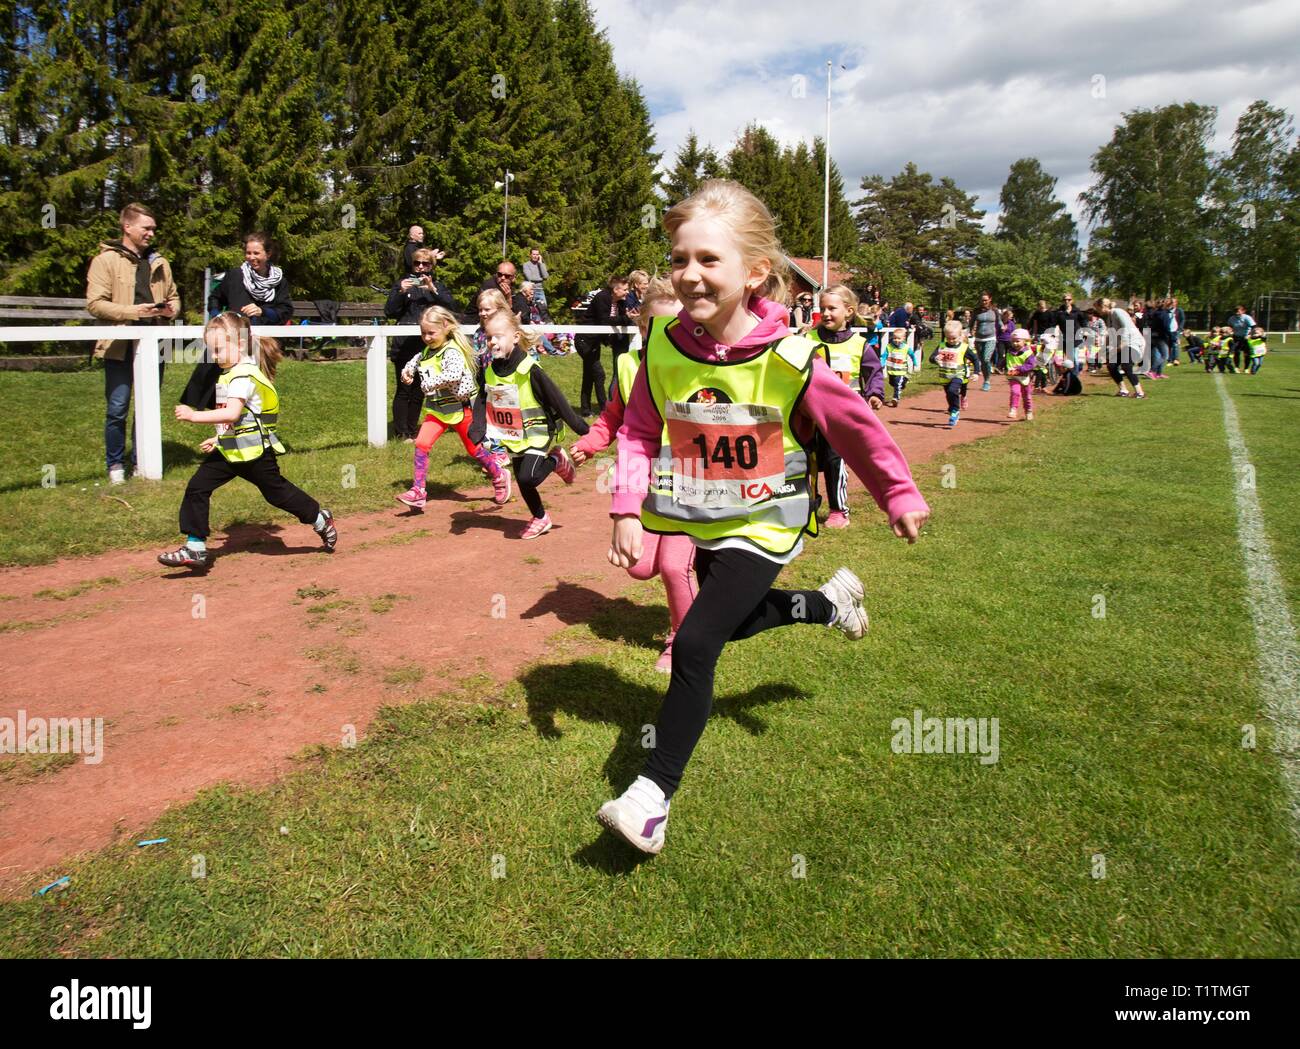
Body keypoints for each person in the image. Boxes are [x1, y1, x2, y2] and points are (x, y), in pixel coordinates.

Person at [599, 179, 929, 855]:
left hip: (769, 521)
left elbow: (855, 427)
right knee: (736, 620)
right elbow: (637, 429)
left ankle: (651, 797)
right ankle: (829, 605)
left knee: (695, 642)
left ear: (754, 273)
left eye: (708, 260)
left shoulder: (792, 357)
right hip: (699, 517)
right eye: (679, 258)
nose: (688, 274)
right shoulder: (661, 344)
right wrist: (627, 504)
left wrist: (897, 492)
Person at [569, 277, 696, 672]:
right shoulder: (627, 365)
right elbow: (613, 417)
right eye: (660, 326)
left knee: (676, 567)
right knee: (639, 566)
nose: (671, 334)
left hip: (695, 483)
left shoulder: (699, 366)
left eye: (680, 325)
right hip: (647, 481)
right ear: (643, 329)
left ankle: (683, 642)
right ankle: (702, 582)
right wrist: (590, 443)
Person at [158, 312, 335, 571]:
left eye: (218, 350)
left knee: (277, 494)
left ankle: (320, 518)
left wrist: (194, 416)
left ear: (240, 344)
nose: (214, 357)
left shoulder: (243, 376)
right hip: (230, 452)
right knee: (197, 488)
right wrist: (218, 437)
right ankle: (195, 547)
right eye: (211, 351)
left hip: (255, 454)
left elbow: (232, 413)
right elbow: (239, 419)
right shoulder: (230, 374)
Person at [85, 203, 179, 485]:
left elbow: (174, 297)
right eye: (146, 227)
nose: (151, 233)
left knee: (148, 407)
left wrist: (170, 310)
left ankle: (143, 462)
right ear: (127, 227)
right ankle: (115, 466)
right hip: (119, 343)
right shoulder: (105, 261)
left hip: (155, 343)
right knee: (118, 406)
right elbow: (95, 304)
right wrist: (133, 312)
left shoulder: (159, 261)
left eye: (153, 228)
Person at [480, 304, 589, 539]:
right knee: (523, 480)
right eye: (489, 337)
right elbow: (481, 398)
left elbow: (556, 398)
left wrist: (580, 427)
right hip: (514, 434)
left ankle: (555, 459)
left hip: (539, 430)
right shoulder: (490, 371)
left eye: (498, 336)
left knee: (529, 477)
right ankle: (540, 518)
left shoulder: (529, 368)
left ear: (515, 337)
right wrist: (477, 427)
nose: (492, 342)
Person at [394, 305, 511, 510]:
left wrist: (431, 383)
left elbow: (454, 374)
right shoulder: (427, 352)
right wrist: (408, 372)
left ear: (446, 327)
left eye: (431, 333)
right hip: (437, 411)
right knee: (421, 443)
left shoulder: (452, 351)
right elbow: (416, 361)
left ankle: (499, 476)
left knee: (475, 450)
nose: (427, 338)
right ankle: (418, 491)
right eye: (423, 333)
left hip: (460, 410)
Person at [183, 232, 295, 412]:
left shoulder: (280, 281)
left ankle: (254, 432)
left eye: (256, 253)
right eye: (248, 253)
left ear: (268, 254)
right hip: (231, 344)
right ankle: (222, 429)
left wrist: (263, 311)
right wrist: (217, 317)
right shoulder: (235, 275)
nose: (251, 257)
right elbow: (215, 298)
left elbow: (286, 310)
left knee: (255, 396)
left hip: (261, 346)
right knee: (223, 390)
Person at [805, 283, 885, 528]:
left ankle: (838, 510)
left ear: (849, 312)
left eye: (832, 308)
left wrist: (875, 393)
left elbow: (873, 372)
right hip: (808, 414)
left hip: (840, 418)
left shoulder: (860, 345)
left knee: (834, 461)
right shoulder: (807, 339)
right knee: (806, 459)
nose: (826, 313)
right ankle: (808, 503)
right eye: (823, 308)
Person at [386, 247, 462, 440]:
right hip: (404, 346)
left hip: (428, 346)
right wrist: (402, 292)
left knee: (421, 389)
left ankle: (412, 430)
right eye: (417, 263)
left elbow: (452, 309)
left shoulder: (437, 286)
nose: (420, 267)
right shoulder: (402, 284)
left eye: (425, 263)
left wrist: (433, 290)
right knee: (404, 388)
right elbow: (389, 311)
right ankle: (401, 433)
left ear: (431, 266)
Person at [575, 275, 632, 416]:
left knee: (589, 376)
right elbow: (605, 321)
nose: (627, 292)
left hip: (595, 342)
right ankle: (604, 409)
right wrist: (626, 318)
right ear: (615, 289)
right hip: (584, 340)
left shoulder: (620, 302)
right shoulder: (602, 297)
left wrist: (627, 318)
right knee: (599, 374)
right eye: (624, 289)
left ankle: (586, 410)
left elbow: (622, 321)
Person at [1092, 299, 1146, 399]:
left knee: (1126, 365)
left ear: (1103, 306)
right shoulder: (1108, 318)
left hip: (1133, 342)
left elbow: (1126, 328)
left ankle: (1140, 392)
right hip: (1123, 344)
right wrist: (1102, 350)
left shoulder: (1117, 312)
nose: (1097, 311)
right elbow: (1110, 334)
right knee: (1111, 365)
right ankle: (1123, 390)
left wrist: (1121, 344)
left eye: (1097, 308)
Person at [929, 320, 979, 427]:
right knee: (949, 395)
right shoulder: (942, 346)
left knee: (953, 390)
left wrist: (976, 372)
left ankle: (955, 412)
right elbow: (931, 358)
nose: (951, 340)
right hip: (945, 376)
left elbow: (975, 359)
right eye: (948, 338)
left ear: (960, 336)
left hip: (958, 375)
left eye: (954, 338)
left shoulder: (964, 347)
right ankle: (953, 409)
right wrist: (935, 358)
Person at [972, 292, 999, 390]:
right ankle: (985, 380)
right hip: (979, 338)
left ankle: (987, 380)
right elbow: (972, 322)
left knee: (986, 358)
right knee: (983, 361)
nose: (984, 302)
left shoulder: (994, 311)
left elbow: (999, 322)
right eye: (982, 300)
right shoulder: (976, 311)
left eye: (986, 300)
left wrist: (1002, 327)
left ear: (990, 299)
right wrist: (969, 331)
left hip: (990, 338)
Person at [882, 327, 911, 406]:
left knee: (897, 385)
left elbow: (912, 354)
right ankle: (904, 380)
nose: (896, 340)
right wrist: (882, 362)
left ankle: (895, 398)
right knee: (892, 383)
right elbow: (884, 355)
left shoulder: (906, 347)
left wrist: (915, 362)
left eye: (899, 338)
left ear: (903, 338)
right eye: (894, 338)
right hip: (892, 370)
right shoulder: (889, 346)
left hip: (901, 370)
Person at [522, 248, 551, 320]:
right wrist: (541, 279)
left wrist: (541, 263)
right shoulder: (526, 265)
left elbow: (546, 276)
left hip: (540, 290)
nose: (535, 256)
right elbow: (530, 277)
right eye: (534, 254)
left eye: (537, 254)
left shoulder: (541, 265)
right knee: (532, 310)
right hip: (530, 291)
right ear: (530, 255)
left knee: (543, 310)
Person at [1227, 306, 1256, 371]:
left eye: (1238, 311)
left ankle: (1246, 368)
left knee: (1247, 353)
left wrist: (1249, 335)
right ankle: (1237, 367)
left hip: (1246, 337)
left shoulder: (1247, 318)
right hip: (1236, 337)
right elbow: (1230, 327)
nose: (1237, 313)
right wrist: (1230, 332)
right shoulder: (1232, 318)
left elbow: (1253, 327)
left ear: (1243, 311)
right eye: (1235, 312)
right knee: (1236, 352)